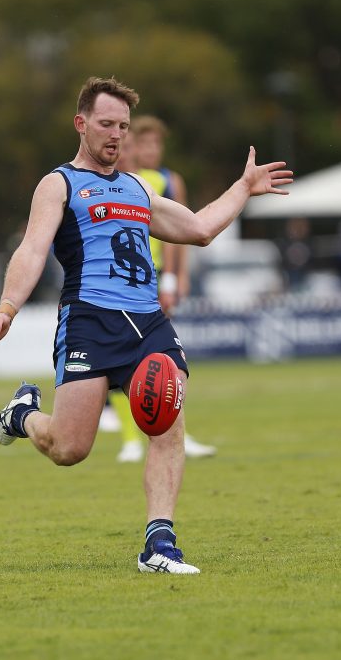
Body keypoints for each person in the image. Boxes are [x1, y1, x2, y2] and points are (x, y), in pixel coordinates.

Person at [0, 76, 293, 575]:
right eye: (106, 124)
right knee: (69, 448)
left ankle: (159, 544)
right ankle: (22, 416)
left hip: (148, 321)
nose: (117, 135)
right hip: (89, 321)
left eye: (123, 126)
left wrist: (244, 187)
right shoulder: (59, 184)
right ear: (81, 124)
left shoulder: (137, 187)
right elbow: (32, 250)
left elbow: (199, 229)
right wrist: (7, 308)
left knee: (167, 419)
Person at [112, 116, 215, 463]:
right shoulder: (113, 182)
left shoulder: (162, 181)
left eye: (156, 144)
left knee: (164, 358)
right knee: (122, 356)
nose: (148, 150)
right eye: (142, 144)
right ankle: (130, 439)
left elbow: (177, 233)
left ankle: (174, 432)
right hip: (125, 280)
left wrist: (174, 277)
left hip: (155, 277)